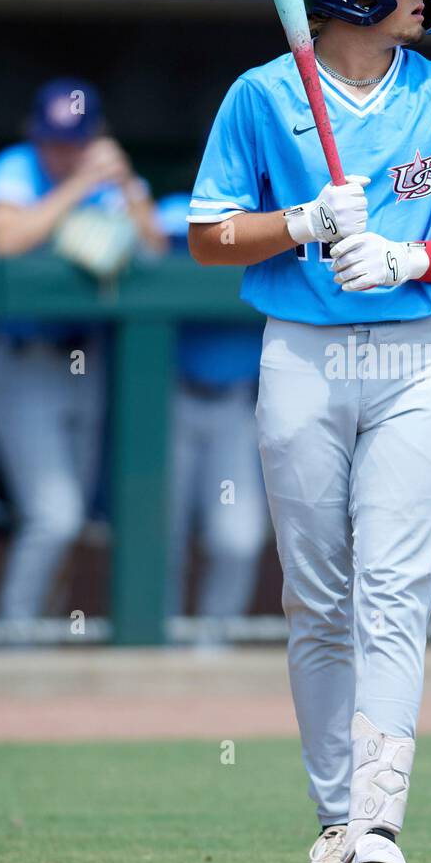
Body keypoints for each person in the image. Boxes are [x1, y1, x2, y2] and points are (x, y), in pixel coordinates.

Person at [188, 0, 431, 863]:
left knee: (392, 588)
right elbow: (206, 235)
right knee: (315, 594)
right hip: (298, 355)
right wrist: (297, 222)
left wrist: (408, 256)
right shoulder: (260, 96)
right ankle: (334, 819)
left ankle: (379, 827)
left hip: (414, 357)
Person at [0, 78, 163, 622]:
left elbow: (156, 252)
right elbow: (4, 240)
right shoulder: (16, 166)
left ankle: (40, 636)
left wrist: (125, 185)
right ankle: (13, 642)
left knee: (71, 517)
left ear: (95, 135)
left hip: (88, 360)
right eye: (52, 141)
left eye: (73, 141)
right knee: (53, 516)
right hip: (22, 360)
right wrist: (80, 185)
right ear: (36, 135)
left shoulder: (109, 175)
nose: (60, 152)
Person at [155, 194, 267, 628]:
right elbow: (150, 236)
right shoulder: (177, 212)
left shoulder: (285, 218)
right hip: (173, 397)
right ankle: (155, 639)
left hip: (237, 407)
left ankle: (212, 646)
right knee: (164, 534)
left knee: (236, 539)